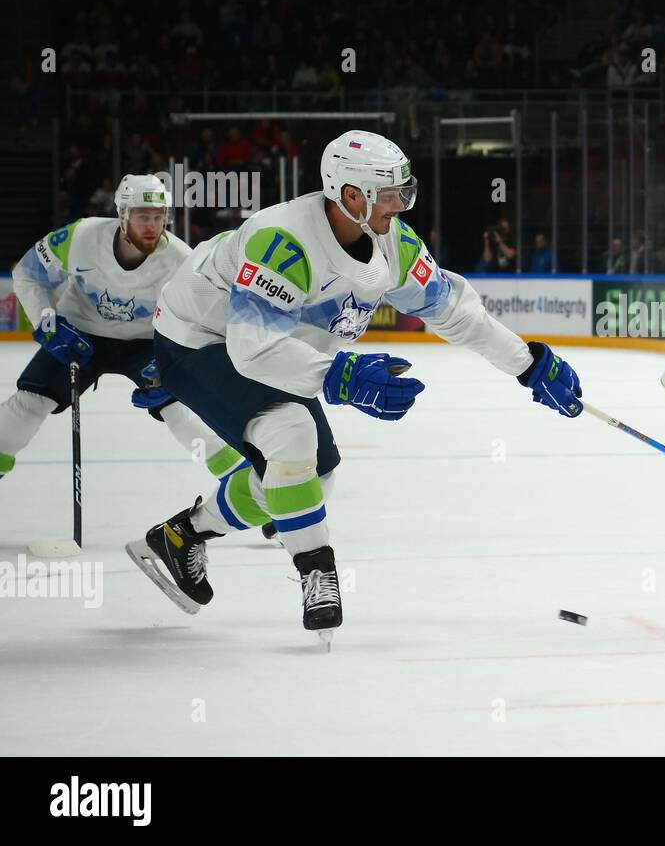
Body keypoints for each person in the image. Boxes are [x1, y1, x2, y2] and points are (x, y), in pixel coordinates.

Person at [127, 130, 584, 642]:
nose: (400, 204)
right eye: (389, 195)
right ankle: (317, 572)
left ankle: (181, 534)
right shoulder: (284, 241)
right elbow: (250, 346)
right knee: (291, 431)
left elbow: (454, 311)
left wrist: (525, 363)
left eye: (402, 192)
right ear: (350, 195)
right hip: (197, 339)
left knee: (312, 480)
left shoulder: (394, 243)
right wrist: (341, 376)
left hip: (270, 347)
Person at [1, 175, 243, 500]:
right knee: (29, 403)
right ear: (122, 213)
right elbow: (28, 274)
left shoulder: (181, 262)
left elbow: (200, 320)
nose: (152, 225)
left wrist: (177, 364)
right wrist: (48, 322)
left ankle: (243, 485)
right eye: (143, 215)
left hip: (145, 344)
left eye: (159, 216)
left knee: (178, 409)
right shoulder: (80, 236)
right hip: (77, 334)